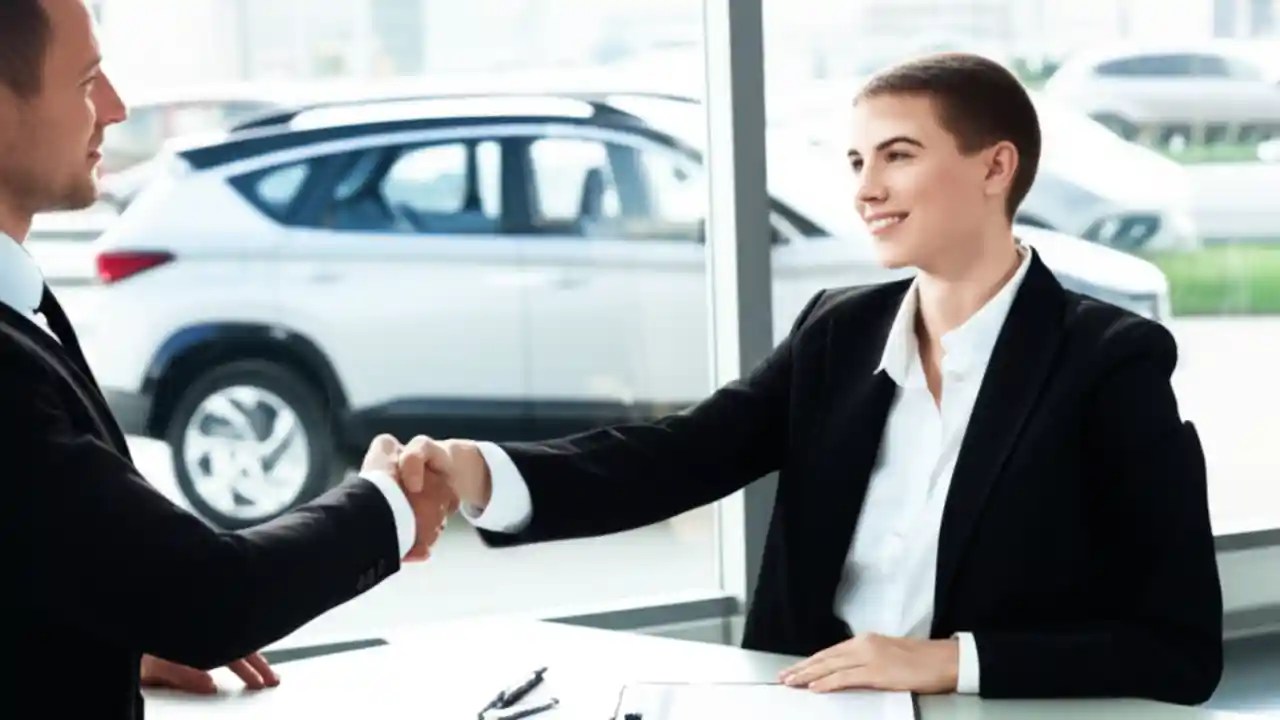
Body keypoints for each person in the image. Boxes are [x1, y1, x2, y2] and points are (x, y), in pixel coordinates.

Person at [397, 53, 1224, 704]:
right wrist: (476, 469)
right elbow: (677, 456)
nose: (866, 189)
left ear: (995, 167)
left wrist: (945, 662)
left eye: (899, 156)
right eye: (859, 159)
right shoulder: (839, 330)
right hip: (810, 708)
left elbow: (1179, 649)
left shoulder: (1110, 363)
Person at [0, 1, 456, 717]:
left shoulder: (19, 299)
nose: (116, 108)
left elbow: (41, 545)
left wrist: (111, 625)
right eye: (88, 80)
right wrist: (391, 504)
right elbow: (205, 594)